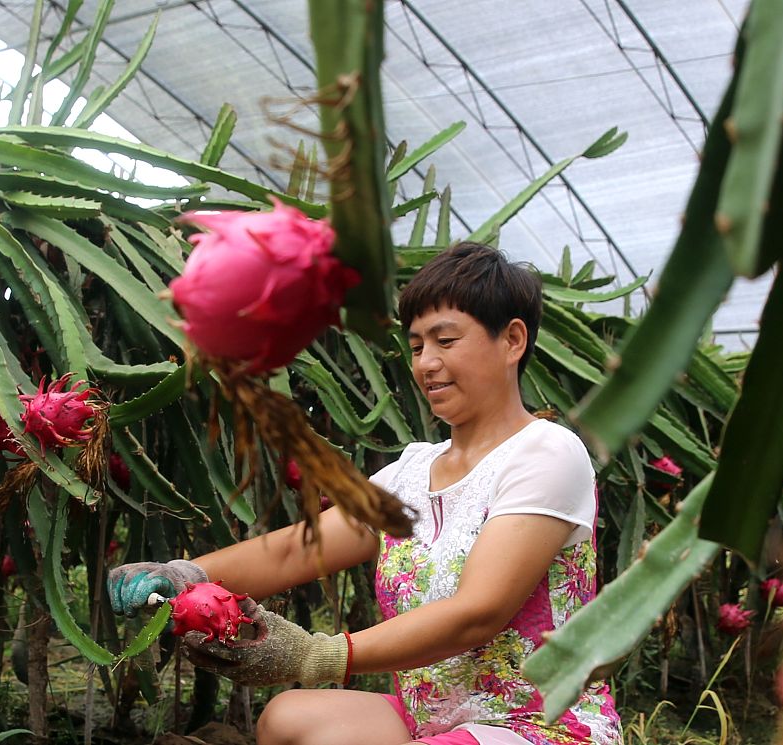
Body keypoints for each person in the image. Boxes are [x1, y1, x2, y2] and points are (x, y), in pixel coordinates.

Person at [107, 243, 622, 745]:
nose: (426, 364)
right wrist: (184, 575)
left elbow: (479, 611)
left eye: (446, 340)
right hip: (430, 719)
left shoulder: (546, 452)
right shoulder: (412, 471)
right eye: (418, 346)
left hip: (537, 724)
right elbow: (298, 548)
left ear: (512, 340)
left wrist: (318, 655)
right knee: (290, 718)